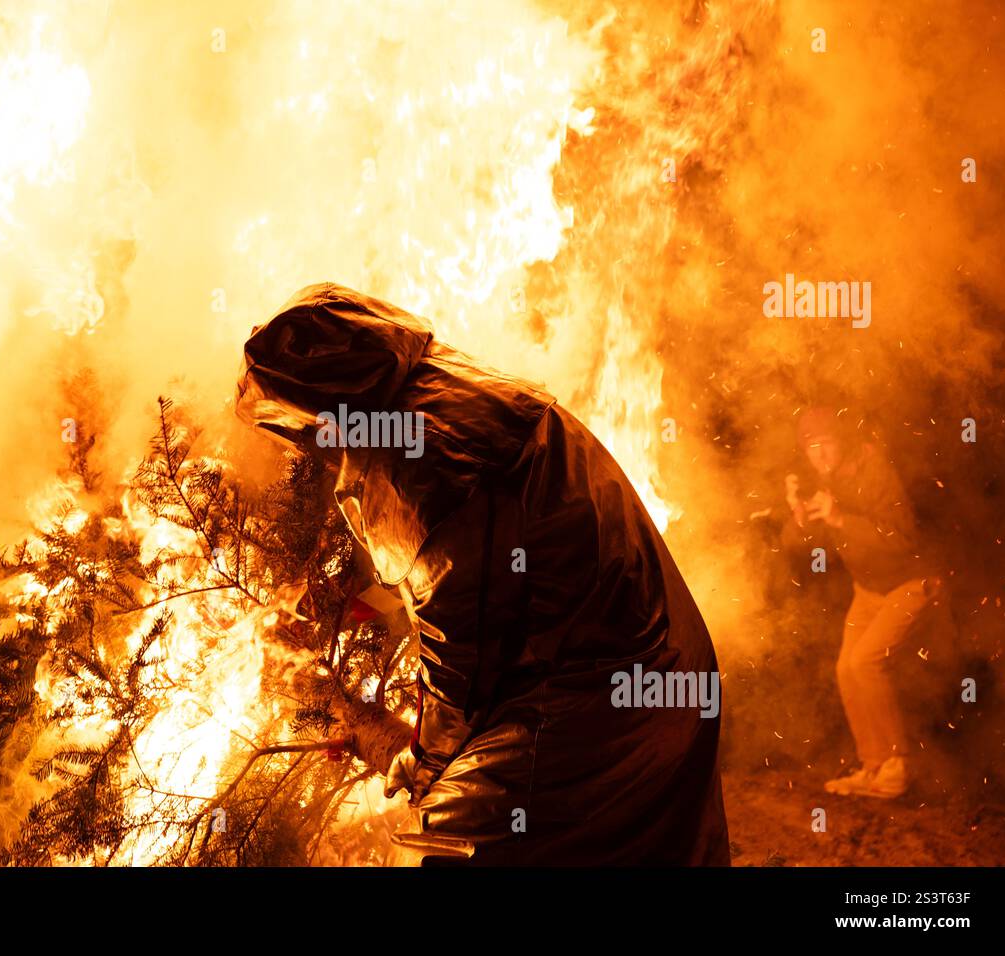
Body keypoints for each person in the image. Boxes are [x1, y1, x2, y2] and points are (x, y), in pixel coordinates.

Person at [236, 282, 729, 865]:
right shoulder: (463, 387)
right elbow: (496, 569)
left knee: (449, 843)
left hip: (596, 708)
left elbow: (461, 666)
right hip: (667, 655)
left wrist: (425, 759)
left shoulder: (410, 468)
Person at [782, 407, 938, 799]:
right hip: (867, 590)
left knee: (866, 662)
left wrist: (840, 520)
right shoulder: (822, 481)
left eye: (826, 444)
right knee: (846, 668)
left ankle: (897, 767)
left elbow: (902, 539)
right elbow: (793, 544)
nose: (820, 455)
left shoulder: (873, 471)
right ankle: (875, 767)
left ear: (841, 442)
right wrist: (799, 518)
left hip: (911, 583)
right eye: (811, 448)